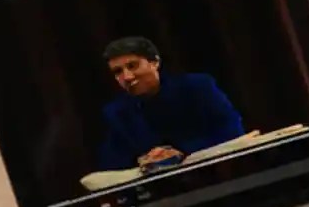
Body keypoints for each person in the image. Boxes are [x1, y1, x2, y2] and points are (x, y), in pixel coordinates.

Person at [97, 36, 245, 171]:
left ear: (154, 62)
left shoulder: (197, 87)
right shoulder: (117, 112)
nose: (127, 77)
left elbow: (232, 130)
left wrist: (180, 152)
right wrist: (145, 160)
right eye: (118, 72)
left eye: (132, 66)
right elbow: (113, 164)